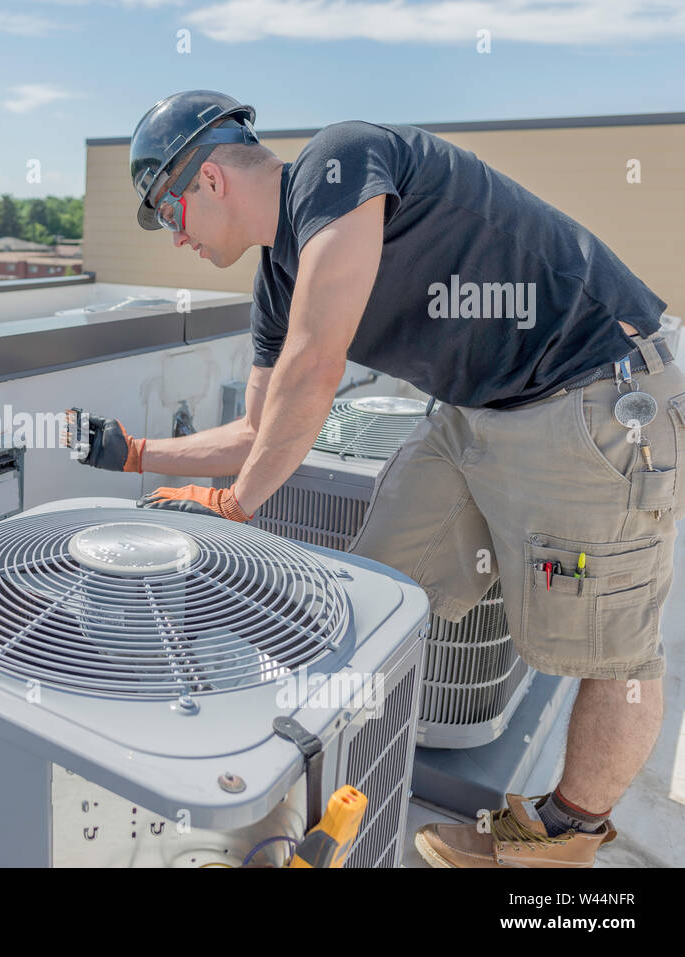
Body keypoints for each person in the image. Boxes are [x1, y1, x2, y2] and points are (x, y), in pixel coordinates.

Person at [67, 89, 684, 867]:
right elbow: (260, 428)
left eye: (168, 213)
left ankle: (562, 837)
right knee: (375, 588)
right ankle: (324, 785)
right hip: (475, 410)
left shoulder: (340, 158)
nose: (173, 237)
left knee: (611, 652)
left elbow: (315, 364)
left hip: (593, 386)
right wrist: (133, 452)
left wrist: (234, 502)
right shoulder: (275, 283)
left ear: (209, 181)